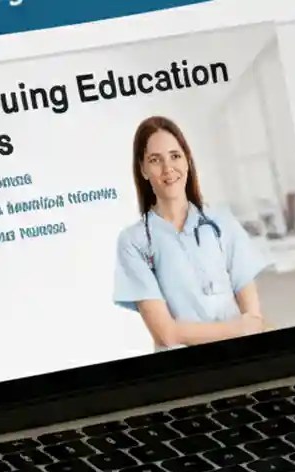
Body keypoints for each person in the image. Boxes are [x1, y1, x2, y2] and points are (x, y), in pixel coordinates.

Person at [114, 116, 270, 349]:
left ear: (187, 160)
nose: (168, 169)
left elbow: (255, 321)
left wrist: (190, 331)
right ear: (143, 169)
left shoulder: (222, 222)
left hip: (242, 359)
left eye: (175, 156)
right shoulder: (134, 242)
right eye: (155, 160)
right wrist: (239, 328)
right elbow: (167, 334)